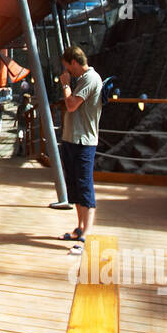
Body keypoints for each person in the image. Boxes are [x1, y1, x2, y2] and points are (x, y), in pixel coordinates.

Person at [56, 45, 101, 255]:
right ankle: (80, 227)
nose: (68, 73)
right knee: (74, 186)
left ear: (74, 62)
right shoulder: (82, 80)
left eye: (68, 67)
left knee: (85, 185)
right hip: (72, 139)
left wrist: (65, 85)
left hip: (84, 141)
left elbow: (72, 104)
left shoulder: (90, 79)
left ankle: (87, 234)